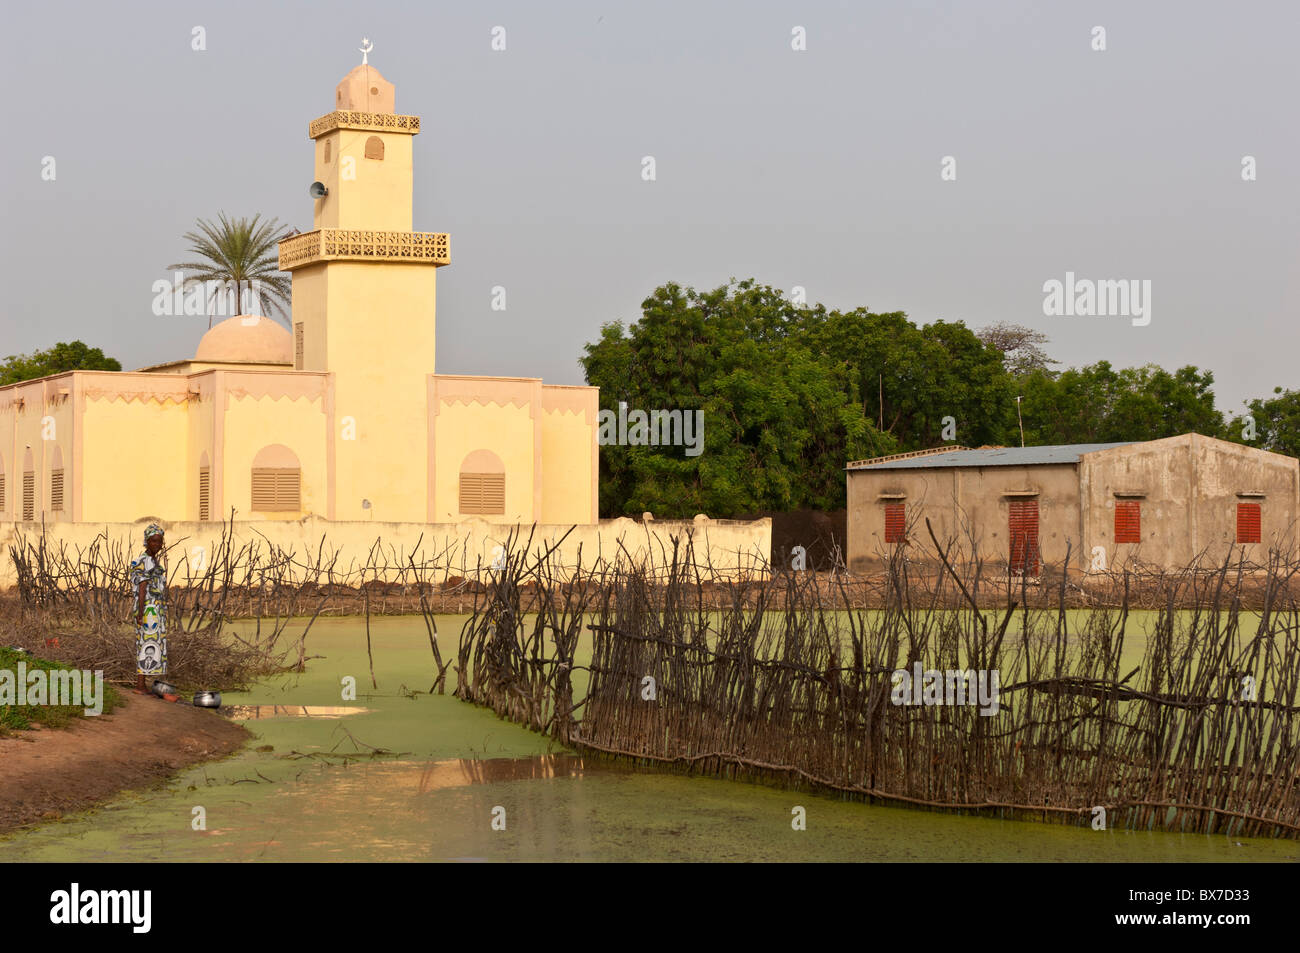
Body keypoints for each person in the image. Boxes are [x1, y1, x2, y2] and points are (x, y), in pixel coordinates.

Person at [129, 524, 168, 694]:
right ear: (147, 542)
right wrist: (140, 612)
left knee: (151, 644)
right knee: (145, 644)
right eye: (153, 541)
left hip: (155, 609)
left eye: (159, 541)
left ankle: (142, 684)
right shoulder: (143, 561)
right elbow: (142, 588)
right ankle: (140, 686)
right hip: (147, 610)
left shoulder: (153, 561)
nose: (157, 544)